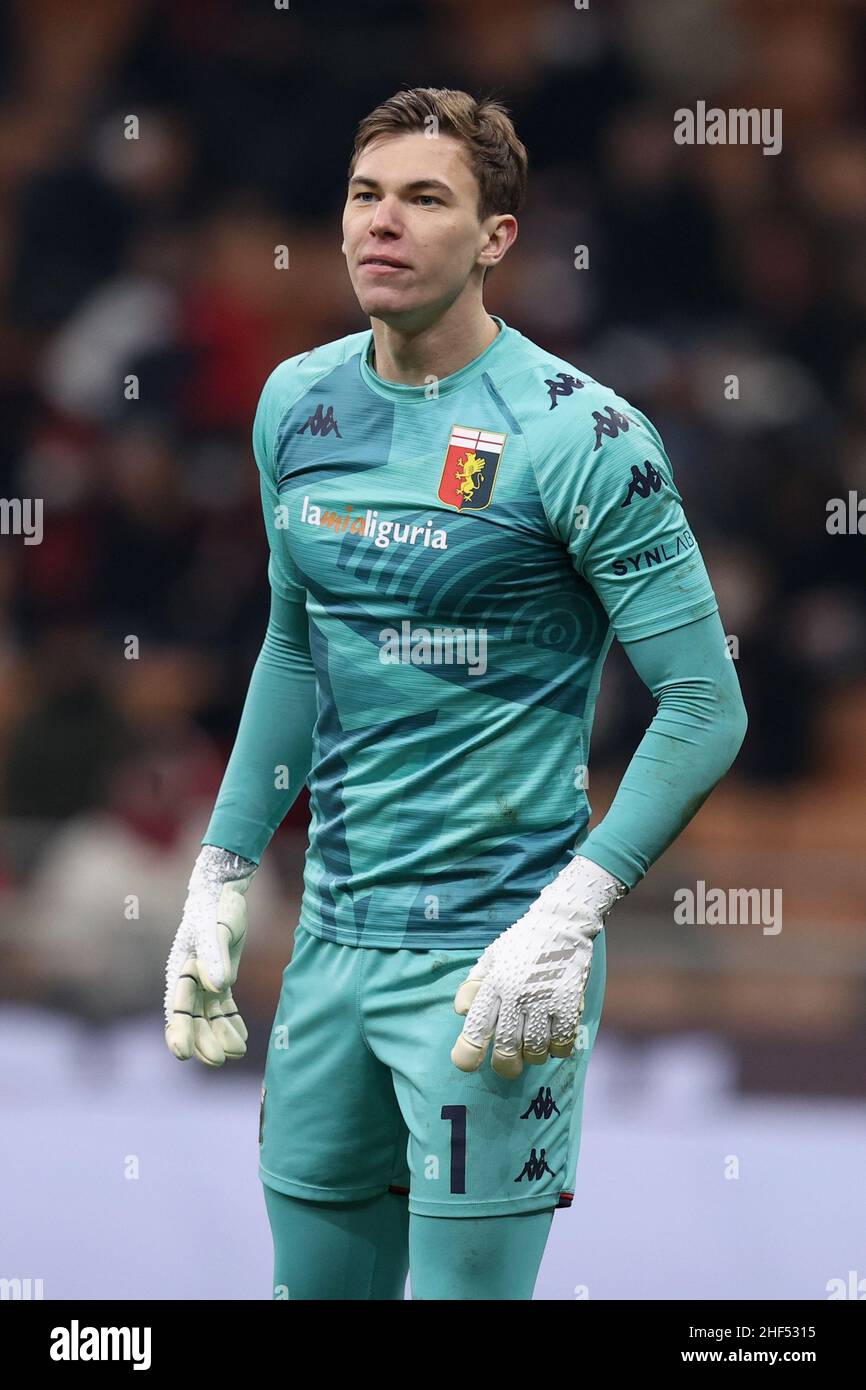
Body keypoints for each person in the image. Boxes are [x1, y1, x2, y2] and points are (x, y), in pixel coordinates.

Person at [164, 87, 747, 1301]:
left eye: (425, 199)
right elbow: (291, 647)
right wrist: (221, 873)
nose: (382, 222)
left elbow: (704, 704)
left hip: (493, 966)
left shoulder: (582, 436)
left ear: (496, 238)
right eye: (364, 194)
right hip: (326, 951)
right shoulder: (295, 403)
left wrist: (567, 916)